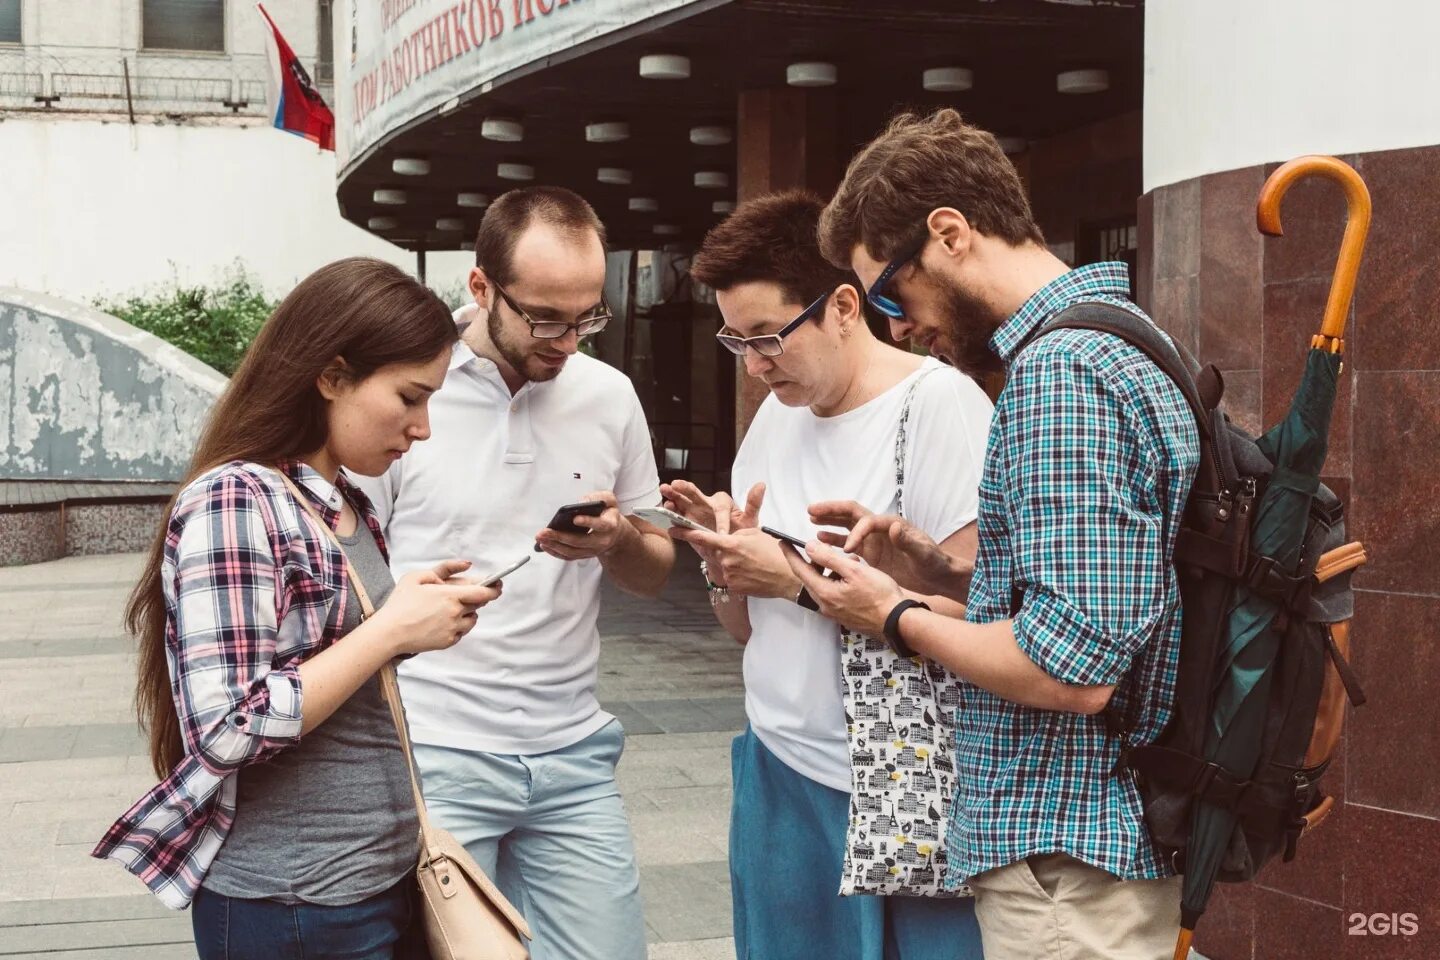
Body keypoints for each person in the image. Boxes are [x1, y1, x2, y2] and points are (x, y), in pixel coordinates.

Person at [785, 108, 1200, 960]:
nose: (895, 328)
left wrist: (892, 616)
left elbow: (1071, 668)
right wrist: (938, 572)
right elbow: (1116, 594)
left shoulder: (1059, 373)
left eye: (890, 295)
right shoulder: (1124, 333)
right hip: (1101, 847)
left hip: (1067, 861)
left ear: (950, 234)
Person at [93, 257, 501, 960]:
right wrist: (388, 632)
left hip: (379, 884)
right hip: (293, 908)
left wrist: (406, 620)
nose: (423, 427)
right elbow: (225, 728)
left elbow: (324, 658)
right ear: (333, 375)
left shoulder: (347, 503)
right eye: (409, 397)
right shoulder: (235, 500)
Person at [661, 190, 1003, 959]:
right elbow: (746, 630)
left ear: (843, 306)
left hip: (907, 786)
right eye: (736, 342)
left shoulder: (937, 405)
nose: (753, 366)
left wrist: (792, 581)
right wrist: (726, 568)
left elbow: (979, 614)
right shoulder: (779, 415)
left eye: (768, 338)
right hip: (779, 767)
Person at [353, 186, 675, 960]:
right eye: (544, 317)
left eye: (588, 316)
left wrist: (619, 539)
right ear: (481, 288)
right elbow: (350, 575)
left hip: (574, 755)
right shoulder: (408, 395)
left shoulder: (609, 395)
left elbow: (656, 570)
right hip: (437, 752)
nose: (568, 341)